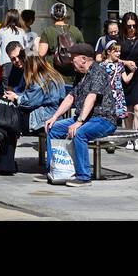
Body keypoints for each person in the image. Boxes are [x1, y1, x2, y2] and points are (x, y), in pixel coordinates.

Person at [42, 43, 117, 186]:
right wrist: (54, 117)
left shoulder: (98, 72)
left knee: (79, 133)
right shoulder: (80, 75)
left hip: (103, 119)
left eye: (73, 58)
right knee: (53, 129)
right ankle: (54, 171)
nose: (71, 61)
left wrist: (79, 122)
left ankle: (83, 176)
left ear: (83, 59)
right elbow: (70, 97)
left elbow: (92, 97)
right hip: (85, 118)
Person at [0, 55, 66, 176]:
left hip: (42, 120)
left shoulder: (41, 80)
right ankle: (4, 164)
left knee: (9, 124)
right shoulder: (54, 77)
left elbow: (29, 102)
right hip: (48, 117)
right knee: (9, 124)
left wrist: (15, 97)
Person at [117, 12, 138, 150]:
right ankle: (129, 136)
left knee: (137, 106)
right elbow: (114, 57)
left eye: (134, 25)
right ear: (124, 26)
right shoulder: (120, 39)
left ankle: (137, 135)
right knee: (128, 108)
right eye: (129, 26)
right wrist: (126, 63)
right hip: (125, 76)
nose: (131, 28)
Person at [38, 2, 84, 82]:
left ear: (52, 15)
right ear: (65, 15)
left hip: (53, 73)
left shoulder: (47, 31)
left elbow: (41, 54)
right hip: (72, 72)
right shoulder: (75, 30)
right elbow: (83, 52)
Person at [0, 9, 30, 89]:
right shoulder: (22, 31)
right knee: (19, 86)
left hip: (7, 62)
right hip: (20, 62)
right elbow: (27, 47)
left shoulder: (1, 31)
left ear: (6, 18)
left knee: (7, 87)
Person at [100, 41, 129, 123]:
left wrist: (133, 72)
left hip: (118, 94)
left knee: (117, 118)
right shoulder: (102, 65)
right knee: (107, 116)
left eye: (119, 51)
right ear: (108, 52)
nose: (118, 53)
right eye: (116, 51)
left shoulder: (120, 65)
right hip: (107, 94)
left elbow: (126, 79)